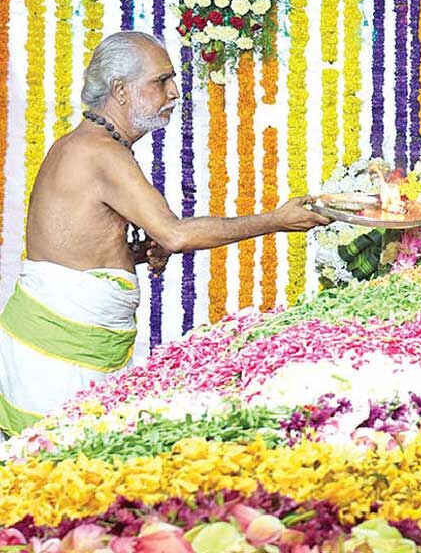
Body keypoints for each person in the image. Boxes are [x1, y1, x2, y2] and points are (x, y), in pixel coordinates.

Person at [0, 32, 330, 437]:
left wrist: (135, 253)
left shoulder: (84, 144)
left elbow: (75, 246)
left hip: (64, 340)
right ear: (120, 91)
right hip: (58, 347)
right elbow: (175, 234)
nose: (174, 92)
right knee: (55, 460)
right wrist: (277, 220)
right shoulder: (100, 152)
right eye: (161, 81)